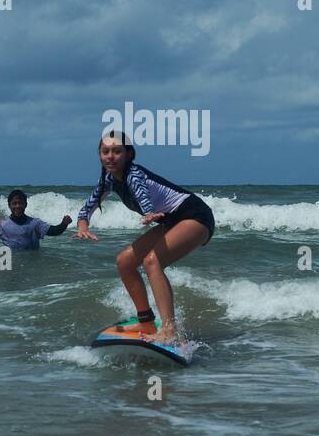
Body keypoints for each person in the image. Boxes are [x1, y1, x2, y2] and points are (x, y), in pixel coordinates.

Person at [74, 130, 214, 344]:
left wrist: (149, 213)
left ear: (128, 154)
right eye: (105, 151)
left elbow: (142, 193)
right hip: (171, 220)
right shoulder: (109, 180)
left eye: (117, 151)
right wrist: (82, 225)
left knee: (152, 261)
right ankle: (146, 321)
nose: (110, 156)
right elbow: (87, 208)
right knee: (125, 262)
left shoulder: (134, 174)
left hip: (195, 215)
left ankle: (170, 330)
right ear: (100, 155)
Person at [0, 190, 71, 250]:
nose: (17, 206)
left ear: (25, 204)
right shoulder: (1, 225)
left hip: (30, 260)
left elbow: (54, 231)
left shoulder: (35, 223)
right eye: (14, 203)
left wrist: (64, 223)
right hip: (8, 260)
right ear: (9, 205)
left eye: (20, 203)